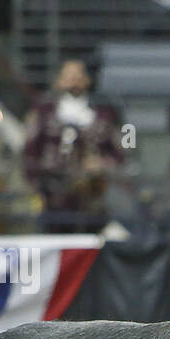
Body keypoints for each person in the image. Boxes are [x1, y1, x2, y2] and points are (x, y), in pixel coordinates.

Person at [22, 59, 123, 230]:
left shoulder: (107, 110)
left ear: (88, 80)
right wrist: (35, 182)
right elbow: (29, 149)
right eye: (69, 76)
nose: (74, 80)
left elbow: (128, 143)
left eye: (79, 75)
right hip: (52, 192)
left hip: (95, 194)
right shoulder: (42, 110)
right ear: (59, 81)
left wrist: (103, 163)